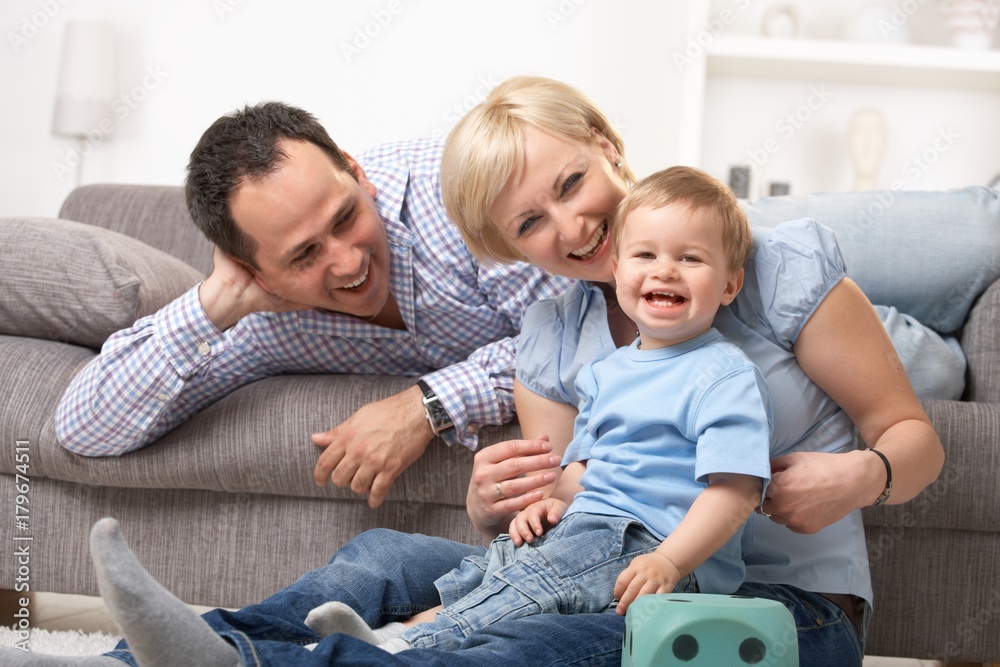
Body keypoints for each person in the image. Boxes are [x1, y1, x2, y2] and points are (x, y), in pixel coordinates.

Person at [8, 76, 956, 666]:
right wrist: (506, 504)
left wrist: (862, 472)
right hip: (614, 568)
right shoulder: (552, 330)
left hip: (772, 611)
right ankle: (184, 649)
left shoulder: (776, 267)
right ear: (512, 252)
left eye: (573, 186)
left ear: (608, 149)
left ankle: (271, 665)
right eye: (530, 226)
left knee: (526, 646)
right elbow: (574, 503)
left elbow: (913, 442)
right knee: (383, 557)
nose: (571, 228)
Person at [310, 165, 772, 654]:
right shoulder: (605, 373)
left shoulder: (724, 374)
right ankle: (399, 634)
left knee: (538, 581)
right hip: (589, 533)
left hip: (656, 551)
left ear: (729, 285)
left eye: (691, 258)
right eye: (645, 255)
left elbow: (735, 493)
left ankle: (404, 647)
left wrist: (673, 562)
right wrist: (555, 503)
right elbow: (584, 468)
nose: (664, 270)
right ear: (618, 271)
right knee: (493, 568)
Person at [53, 101, 571, 508]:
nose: (348, 263)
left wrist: (425, 405)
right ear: (253, 270)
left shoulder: (458, 191)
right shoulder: (262, 317)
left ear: (354, 171)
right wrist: (219, 299)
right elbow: (84, 429)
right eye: (304, 254)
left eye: (345, 218)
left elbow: (584, 334)